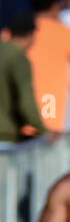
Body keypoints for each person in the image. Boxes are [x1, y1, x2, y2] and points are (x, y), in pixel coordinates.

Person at [26, 0, 70, 135]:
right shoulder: (65, 33)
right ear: (55, 7)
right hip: (52, 114)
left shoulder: (17, 33)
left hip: (21, 114)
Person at [0, 13, 45, 143]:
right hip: (4, 135)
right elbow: (26, 102)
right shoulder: (18, 58)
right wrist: (44, 131)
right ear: (31, 34)